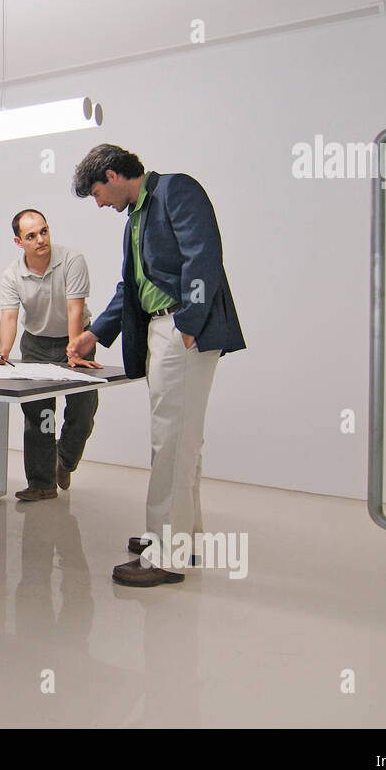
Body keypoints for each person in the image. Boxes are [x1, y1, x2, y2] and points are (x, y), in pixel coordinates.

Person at [66, 145, 245, 587]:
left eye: (97, 193)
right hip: (161, 332)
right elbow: (132, 286)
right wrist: (95, 334)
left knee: (171, 440)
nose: (100, 203)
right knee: (179, 440)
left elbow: (203, 256)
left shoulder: (175, 191)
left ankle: (167, 556)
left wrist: (189, 323)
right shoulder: (137, 218)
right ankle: (184, 538)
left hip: (181, 329)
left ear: (112, 174)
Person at [0, 209, 99, 501]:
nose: (40, 239)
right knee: (40, 414)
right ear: (19, 242)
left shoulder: (72, 261)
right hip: (36, 345)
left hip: (77, 337)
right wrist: (4, 350)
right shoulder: (12, 274)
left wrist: (75, 349)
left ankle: (64, 461)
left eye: (44, 231)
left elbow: (74, 309)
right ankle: (41, 483)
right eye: (31, 236)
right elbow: (10, 318)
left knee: (82, 412)